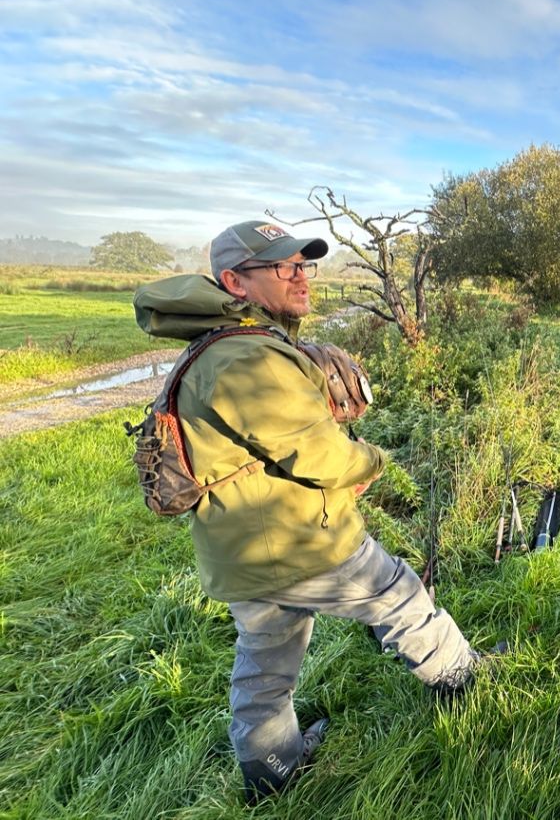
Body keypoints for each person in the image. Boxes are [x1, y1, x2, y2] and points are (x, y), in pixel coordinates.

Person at [134, 221, 486, 803]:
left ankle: (271, 769)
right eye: (283, 266)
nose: (301, 275)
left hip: (241, 552)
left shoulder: (218, 346)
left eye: (303, 264)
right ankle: (464, 681)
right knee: (399, 596)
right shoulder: (247, 357)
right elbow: (320, 455)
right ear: (234, 281)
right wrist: (371, 457)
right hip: (298, 543)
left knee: (266, 661)